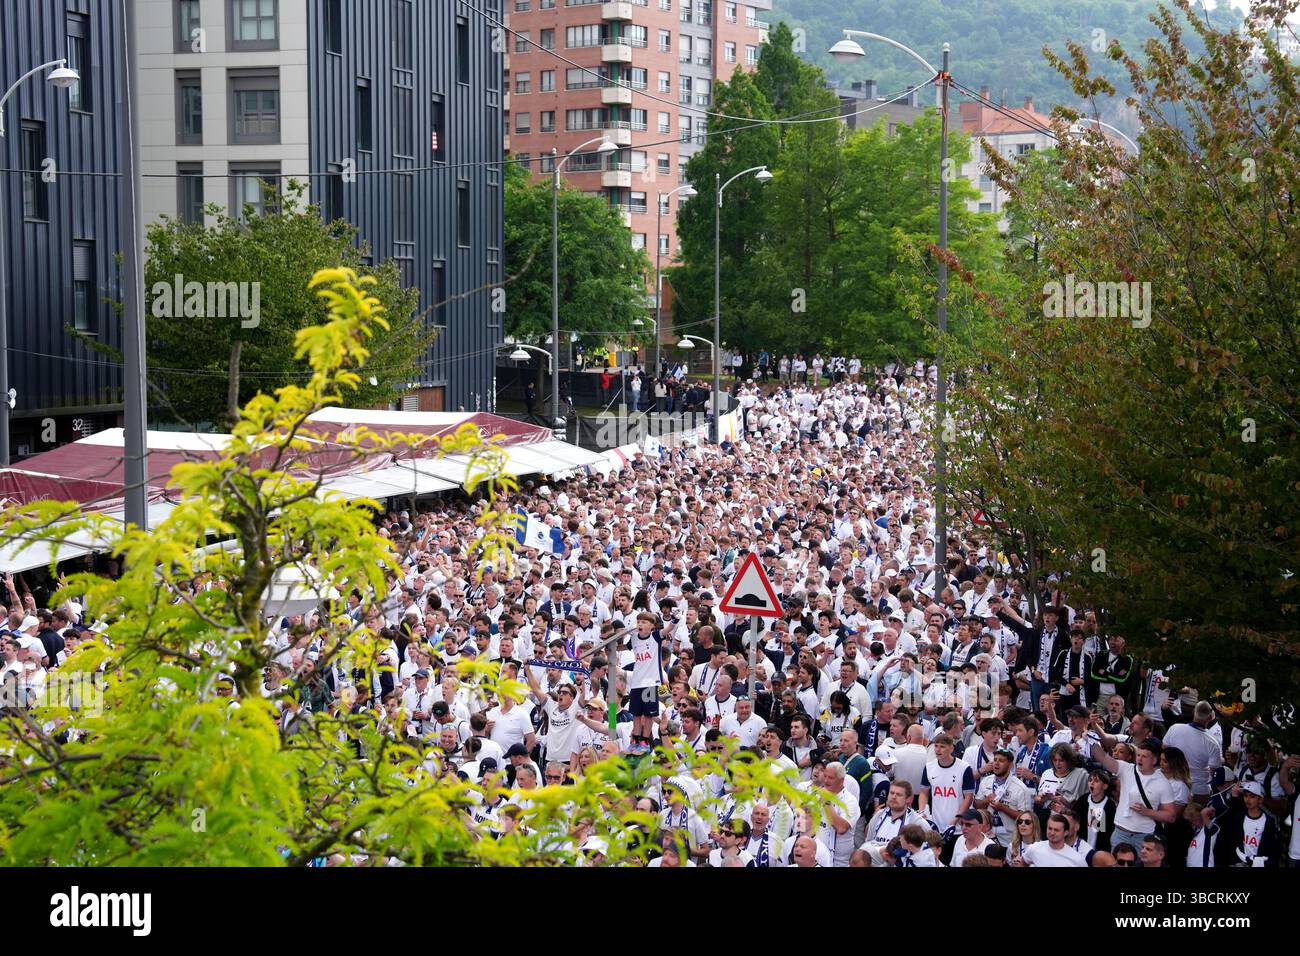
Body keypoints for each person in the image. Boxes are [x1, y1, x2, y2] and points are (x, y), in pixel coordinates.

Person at [1089, 734, 1177, 853]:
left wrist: (1147, 812)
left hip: (1144, 837)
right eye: (1139, 755)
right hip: (1120, 832)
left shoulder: (1163, 783)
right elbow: (1103, 758)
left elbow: (1171, 816)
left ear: (1154, 760)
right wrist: (1090, 739)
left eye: (1145, 756)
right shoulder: (1127, 769)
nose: (1140, 759)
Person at [1017, 813, 1089, 867]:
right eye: (1050, 828)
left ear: (1065, 833)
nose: (1052, 833)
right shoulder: (1034, 848)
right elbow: (1023, 862)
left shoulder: (1077, 860)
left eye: (1056, 830)